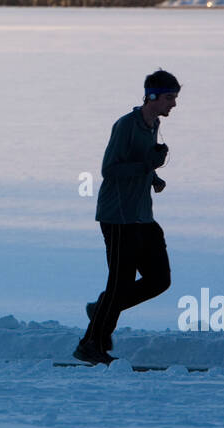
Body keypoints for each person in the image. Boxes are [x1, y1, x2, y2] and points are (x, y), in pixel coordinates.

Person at [74, 69, 181, 365]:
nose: (174, 104)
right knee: (120, 282)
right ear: (152, 97)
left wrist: (153, 176)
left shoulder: (153, 124)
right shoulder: (125, 126)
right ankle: (90, 344)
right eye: (170, 97)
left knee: (159, 280)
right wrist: (146, 164)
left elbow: (137, 165)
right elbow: (110, 170)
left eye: (175, 97)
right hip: (118, 217)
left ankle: (102, 308)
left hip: (142, 216)